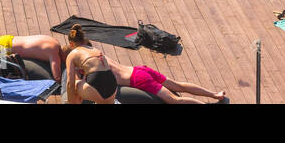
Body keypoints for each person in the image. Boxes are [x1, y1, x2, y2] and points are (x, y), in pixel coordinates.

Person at [63, 24, 224, 104]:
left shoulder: (81, 62)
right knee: (177, 85)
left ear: (72, 45)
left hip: (137, 80)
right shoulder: (95, 52)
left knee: (174, 100)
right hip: (139, 69)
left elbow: (74, 83)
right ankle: (214, 94)